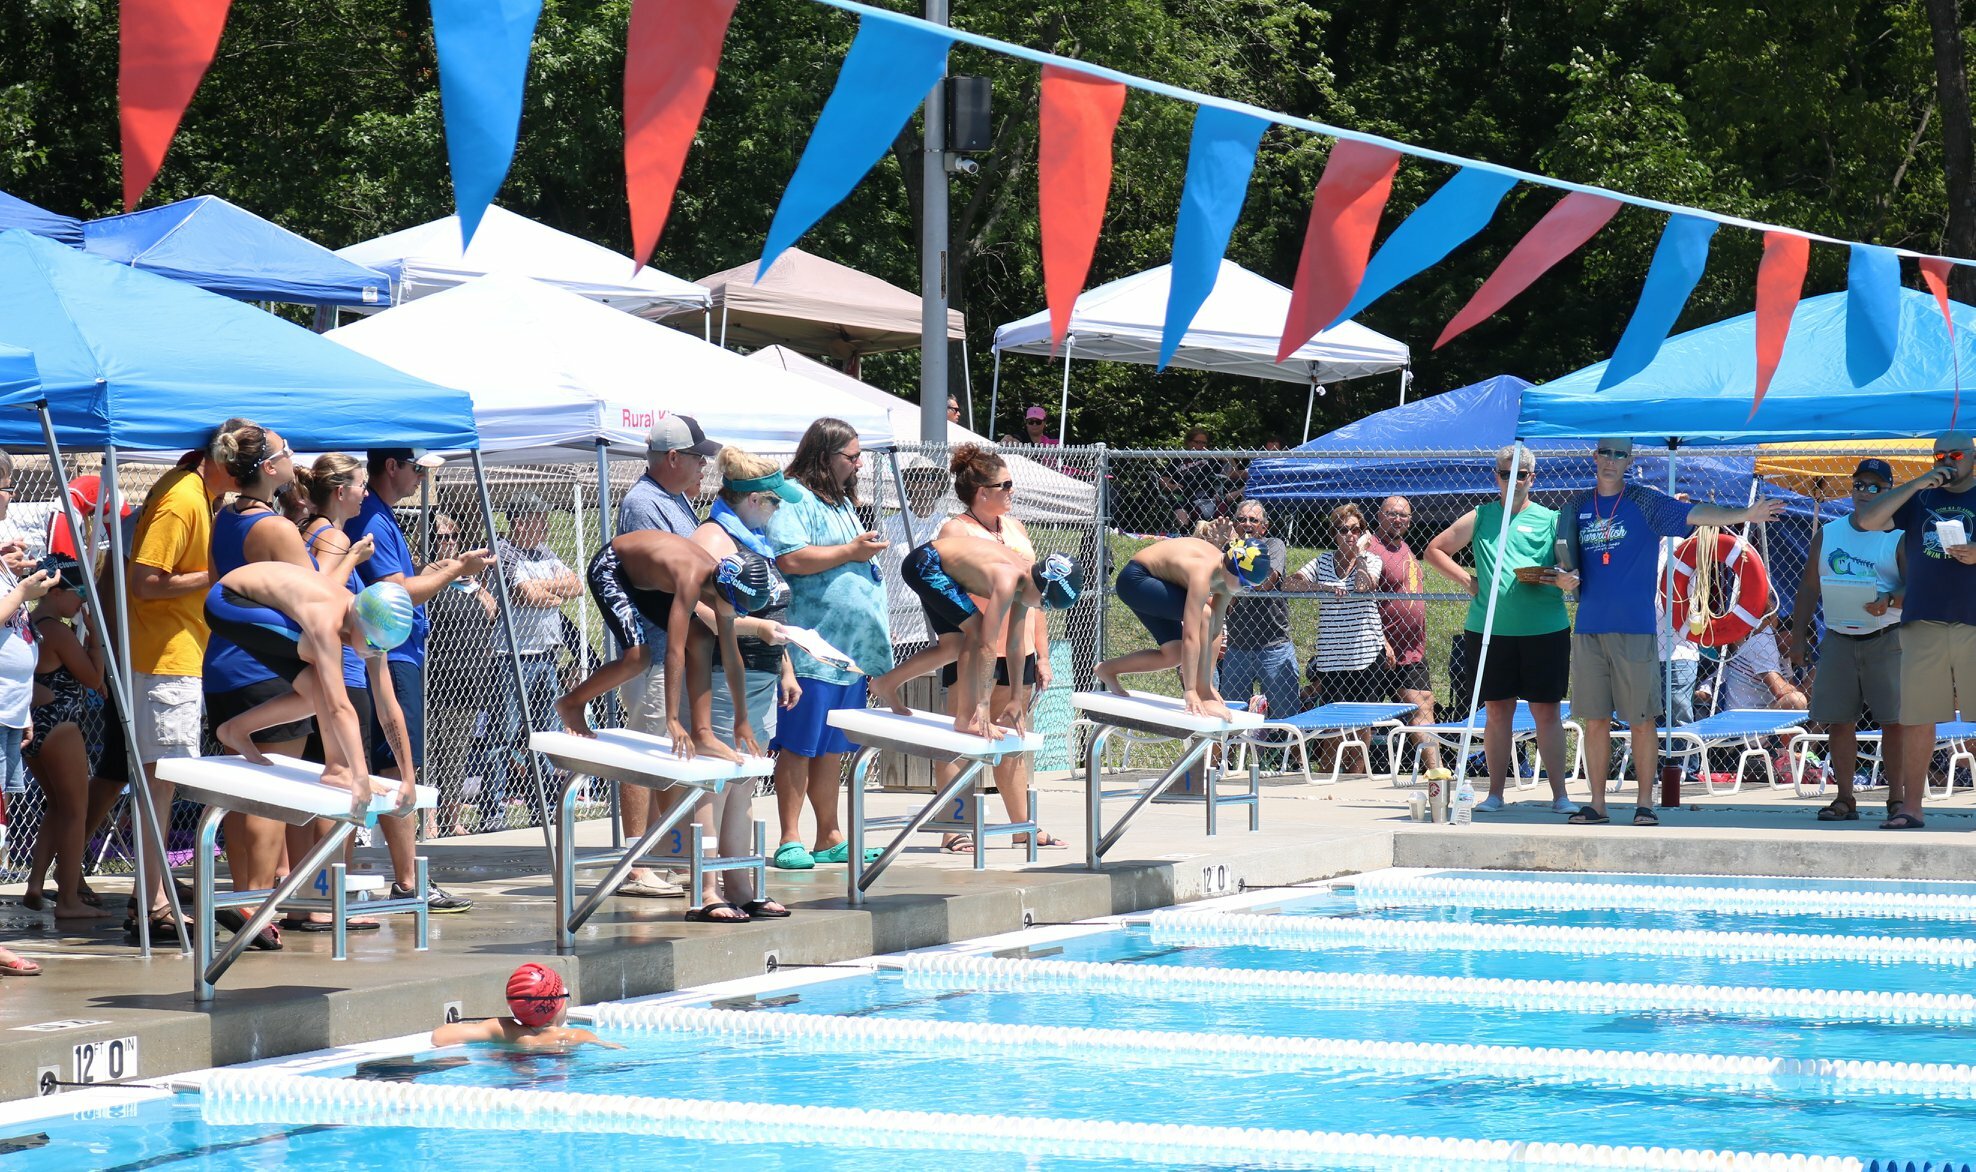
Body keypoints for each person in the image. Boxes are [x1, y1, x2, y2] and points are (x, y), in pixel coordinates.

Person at [1554, 436, 1785, 826]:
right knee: (1594, 720)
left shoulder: (1645, 502)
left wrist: (1746, 511)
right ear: (1594, 457)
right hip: (1589, 628)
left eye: (1620, 454)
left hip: (1637, 630)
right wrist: (1563, 580)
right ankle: (1597, 804)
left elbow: (1698, 514)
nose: (1611, 460)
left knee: (1642, 719)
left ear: (1630, 460)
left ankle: (1645, 803)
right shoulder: (1575, 506)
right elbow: (1564, 564)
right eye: (1605, 453)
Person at [204, 424, 359, 944]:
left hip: (226, 658)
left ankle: (240, 895)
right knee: (271, 791)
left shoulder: (225, 515)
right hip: (265, 665)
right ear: (269, 468)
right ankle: (253, 903)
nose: (295, 458)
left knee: (241, 787)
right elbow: (313, 598)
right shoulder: (276, 528)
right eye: (287, 452)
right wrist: (352, 562)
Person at [345, 448, 488, 912]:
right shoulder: (371, 514)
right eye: (416, 470)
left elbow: (401, 581)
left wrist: (440, 570)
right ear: (393, 467)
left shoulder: (380, 514)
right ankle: (407, 880)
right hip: (389, 654)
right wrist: (454, 571)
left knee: (393, 762)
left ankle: (404, 877)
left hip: (393, 652)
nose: (421, 480)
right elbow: (398, 592)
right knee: (397, 763)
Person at [765, 419, 894, 870]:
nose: (858, 464)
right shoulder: (794, 497)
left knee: (832, 749)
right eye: (851, 456)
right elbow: (790, 557)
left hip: (847, 654)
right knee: (799, 746)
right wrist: (851, 553)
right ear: (825, 455)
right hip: (809, 649)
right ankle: (790, 837)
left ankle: (829, 835)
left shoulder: (841, 500)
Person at [1423, 444, 1575, 814]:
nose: (1513, 480)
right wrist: (1468, 581)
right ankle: (1495, 794)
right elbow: (1434, 550)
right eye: (1506, 474)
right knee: (1496, 712)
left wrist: (1558, 579)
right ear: (1497, 477)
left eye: (1520, 474)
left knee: (1546, 712)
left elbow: (1570, 571)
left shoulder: (1551, 519)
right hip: (1489, 631)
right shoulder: (1481, 516)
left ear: (1532, 478)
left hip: (1545, 629)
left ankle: (1560, 796)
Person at [202, 562, 419, 819]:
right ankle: (337, 768)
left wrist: (408, 778)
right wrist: (359, 777)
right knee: (326, 679)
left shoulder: (369, 626)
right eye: (374, 644)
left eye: (384, 648)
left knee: (314, 693)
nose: (376, 652)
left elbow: (387, 705)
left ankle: (235, 730)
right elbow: (340, 707)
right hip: (227, 600)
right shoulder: (326, 620)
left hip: (260, 602)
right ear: (360, 622)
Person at [124, 440, 232, 941]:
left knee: (160, 783)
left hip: (179, 656)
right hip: (164, 660)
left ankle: (150, 896)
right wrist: (214, 575)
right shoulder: (184, 497)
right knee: (159, 782)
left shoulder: (202, 496)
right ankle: (152, 902)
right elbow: (143, 581)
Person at [932, 446, 1065, 852]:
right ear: (980, 492)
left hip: (1018, 646)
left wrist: (1042, 654)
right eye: (1004, 485)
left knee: (1013, 737)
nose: (1011, 491)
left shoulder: (1016, 528)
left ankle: (1022, 825)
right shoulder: (955, 530)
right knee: (965, 731)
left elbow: (1036, 594)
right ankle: (954, 826)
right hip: (977, 645)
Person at [611, 413, 720, 899]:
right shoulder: (643, 504)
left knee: (669, 754)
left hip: (674, 652)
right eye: (698, 459)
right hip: (653, 648)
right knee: (643, 749)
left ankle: (666, 853)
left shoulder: (674, 501)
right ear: (672, 458)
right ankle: (636, 863)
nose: (704, 468)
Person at [689, 447, 799, 923]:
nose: (777, 512)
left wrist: (785, 666)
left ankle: (739, 883)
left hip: (759, 674)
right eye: (774, 503)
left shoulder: (752, 538)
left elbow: (772, 607)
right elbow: (697, 609)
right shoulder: (714, 539)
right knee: (712, 785)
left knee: (743, 784)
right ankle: (706, 889)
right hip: (719, 675)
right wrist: (757, 632)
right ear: (754, 499)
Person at [552, 530, 774, 761]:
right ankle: (571, 703)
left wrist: (742, 719)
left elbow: (732, 657)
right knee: (638, 657)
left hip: (648, 582)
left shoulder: (721, 586)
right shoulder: (691, 579)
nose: (739, 616)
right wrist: (673, 720)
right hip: (612, 569)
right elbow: (674, 651)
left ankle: (702, 734)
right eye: (739, 609)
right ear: (726, 592)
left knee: (703, 639)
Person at [1852, 431, 1976, 829]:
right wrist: (1919, 481)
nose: (1946, 460)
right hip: (1923, 620)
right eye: (1938, 454)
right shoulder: (1920, 498)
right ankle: (1912, 807)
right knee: (1919, 718)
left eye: (1955, 454)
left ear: (1973, 457)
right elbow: (1866, 520)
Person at [1789, 459, 1906, 823]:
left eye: (1874, 487)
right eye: (1859, 484)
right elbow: (1809, 586)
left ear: (1889, 491)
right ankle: (1844, 799)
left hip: (1887, 637)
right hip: (1839, 637)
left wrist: (1889, 599)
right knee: (1838, 721)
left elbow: (1916, 586)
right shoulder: (1829, 533)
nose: (1864, 492)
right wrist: (1797, 637)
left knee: (1894, 721)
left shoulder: (1897, 535)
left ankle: (1898, 800)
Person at [872, 535, 1083, 736]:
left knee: (954, 646)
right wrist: (983, 703)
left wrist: (1016, 699)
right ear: (1042, 588)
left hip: (936, 568)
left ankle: (885, 684)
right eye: (1046, 603)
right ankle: (965, 719)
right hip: (926, 564)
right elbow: (987, 643)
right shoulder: (1008, 580)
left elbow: (1015, 644)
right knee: (976, 632)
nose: (1043, 610)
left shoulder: (1026, 586)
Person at [20, 557, 114, 921]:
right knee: (76, 810)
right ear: (55, 591)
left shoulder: (26, 622)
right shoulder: (55, 629)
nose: (82, 604)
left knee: (57, 807)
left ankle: (34, 884)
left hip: (37, 724)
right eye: (79, 595)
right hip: (61, 724)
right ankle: (69, 899)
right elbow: (92, 678)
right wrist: (95, 641)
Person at [1097, 534, 1269, 719]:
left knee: (1174, 654)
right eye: (1245, 583)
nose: (1245, 589)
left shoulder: (1226, 578)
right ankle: (1201, 694)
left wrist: (1208, 684)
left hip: (1160, 583)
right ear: (1233, 569)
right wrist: (1192, 691)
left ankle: (1107, 669)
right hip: (1135, 580)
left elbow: (1215, 630)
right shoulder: (1202, 572)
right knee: (1204, 614)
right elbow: (1191, 635)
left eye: (1250, 586)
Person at [487, 493, 578, 817]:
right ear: (522, 523)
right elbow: (526, 593)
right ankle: (492, 811)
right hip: (512, 656)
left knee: (543, 734)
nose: (547, 526)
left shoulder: (544, 553)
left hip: (546, 656)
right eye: (541, 520)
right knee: (504, 733)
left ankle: (542, 805)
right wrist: (550, 591)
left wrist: (546, 591)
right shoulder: (505, 552)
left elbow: (576, 585)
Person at [421, 513, 495, 835]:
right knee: (428, 754)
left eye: (451, 536)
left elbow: (492, 609)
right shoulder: (423, 576)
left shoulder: (467, 579)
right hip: (433, 678)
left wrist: (473, 584)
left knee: (455, 753)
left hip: (467, 683)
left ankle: (453, 818)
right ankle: (429, 818)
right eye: (440, 536)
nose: (446, 542)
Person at [1364, 495, 1446, 779]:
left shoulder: (1405, 548)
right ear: (1379, 516)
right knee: (1364, 719)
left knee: (1423, 704)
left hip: (1411, 651)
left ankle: (1436, 772)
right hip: (1376, 650)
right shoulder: (1369, 547)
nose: (1397, 519)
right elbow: (1366, 599)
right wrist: (1382, 640)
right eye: (1391, 514)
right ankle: (1353, 778)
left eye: (1403, 515)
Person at [1284, 503, 1383, 706]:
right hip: (1332, 657)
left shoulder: (1372, 560)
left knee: (1363, 721)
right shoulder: (1323, 561)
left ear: (1363, 534)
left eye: (1355, 529)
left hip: (1365, 655)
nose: (1350, 535)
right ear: (1334, 533)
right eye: (1343, 529)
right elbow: (1289, 583)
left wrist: (1360, 553)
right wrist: (1323, 587)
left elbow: (1363, 586)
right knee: (1333, 725)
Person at [1219, 501, 1299, 723]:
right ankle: (1227, 758)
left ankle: (1295, 757)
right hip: (1237, 647)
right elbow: (1219, 593)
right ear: (1235, 524)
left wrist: (1233, 586)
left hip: (1274, 647)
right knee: (1230, 717)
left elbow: (1266, 581)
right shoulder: (1227, 549)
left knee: (1287, 718)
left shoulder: (1273, 545)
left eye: (1253, 520)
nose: (1247, 524)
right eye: (1242, 519)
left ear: (1264, 526)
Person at [429, 963, 622, 1051]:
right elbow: (615, 1050)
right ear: (556, 1003)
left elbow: (439, 1036)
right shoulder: (577, 1036)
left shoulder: (502, 1030)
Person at [880, 465, 951, 653]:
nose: (926, 482)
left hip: (939, 623)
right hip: (898, 626)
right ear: (908, 483)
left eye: (932, 477)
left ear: (939, 485)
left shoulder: (948, 526)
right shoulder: (887, 526)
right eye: (918, 477)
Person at [1158, 427, 1240, 532]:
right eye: (1197, 442)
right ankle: (1184, 530)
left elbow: (1232, 474)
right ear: (1188, 442)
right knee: (1178, 499)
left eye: (1204, 443)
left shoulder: (1211, 457)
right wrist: (1173, 487)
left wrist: (1229, 458)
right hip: (1185, 493)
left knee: (1221, 497)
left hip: (1208, 492)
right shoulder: (1178, 459)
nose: (1201, 446)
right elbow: (1163, 479)